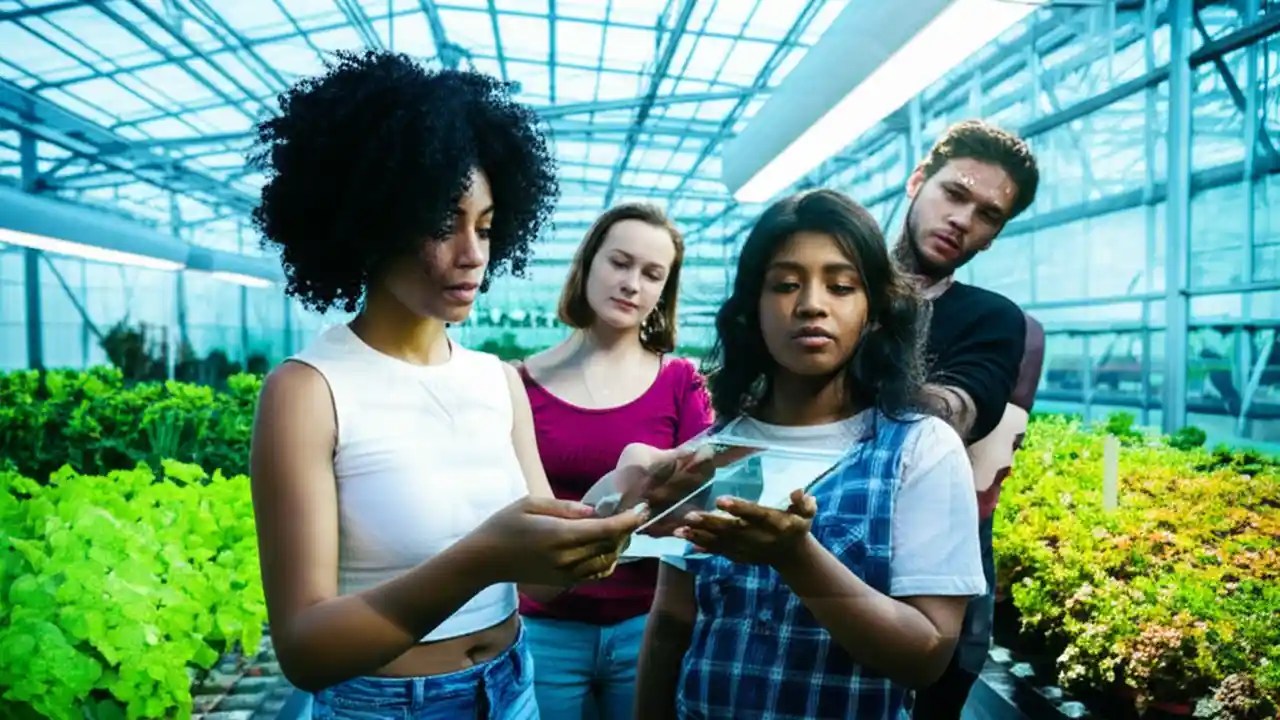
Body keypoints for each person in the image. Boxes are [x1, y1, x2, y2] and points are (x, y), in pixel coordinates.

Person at [245, 50, 646, 719]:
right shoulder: (309, 392)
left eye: (485, 227)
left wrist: (622, 501)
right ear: (370, 218)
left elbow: (542, 580)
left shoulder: (497, 381)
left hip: (514, 688)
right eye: (442, 223)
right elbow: (306, 651)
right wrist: (481, 558)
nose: (473, 254)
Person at [633, 188, 986, 719]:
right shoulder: (715, 450)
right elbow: (671, 624)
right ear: (752, 308)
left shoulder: (919, 449)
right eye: (785, 285)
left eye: (841, 286)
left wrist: (796, 556)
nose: (811, 305)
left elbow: (927, 655)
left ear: (873, 311)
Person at [515, 203, 715, 720]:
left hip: (645, 623)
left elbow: (701, 506)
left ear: (663, 291)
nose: (631, 284)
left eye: (652, 274)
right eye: (619, 263)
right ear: (587, 264)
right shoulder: (518, 385)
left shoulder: (681, 382)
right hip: (544, 626)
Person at [893, 119, 1046, 719]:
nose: (962, 219)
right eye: (954, 193)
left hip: (933, 565)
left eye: (987, 215)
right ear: (917, 181)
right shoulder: (832, 289)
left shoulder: (993, 319)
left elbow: (959, 410)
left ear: (994, 236)